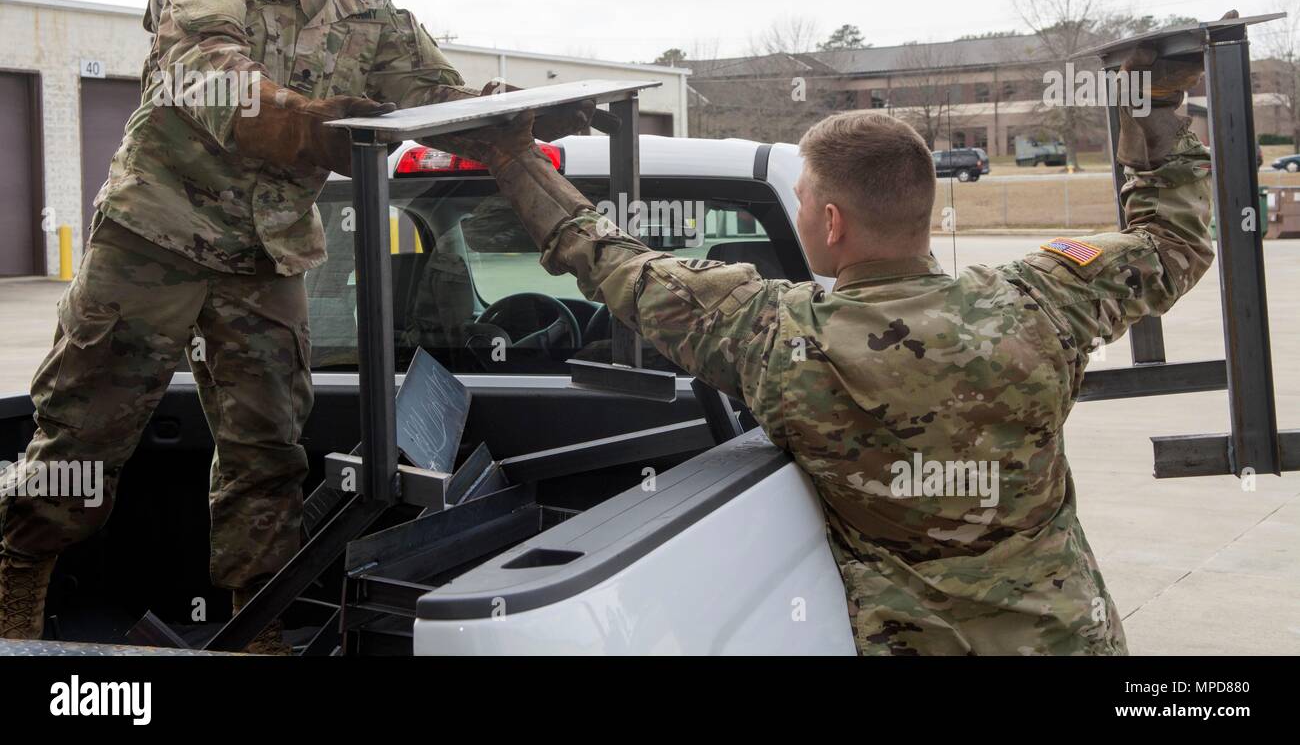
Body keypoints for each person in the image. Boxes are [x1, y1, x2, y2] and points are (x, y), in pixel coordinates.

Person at [0, 0, 583, 653]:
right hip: (154, 241)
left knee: (268, 449)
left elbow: (433, 91)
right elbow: (210, 82)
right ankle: (17, 577)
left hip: (264, 253)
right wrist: (320, 126)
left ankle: (254, 623)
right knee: (83, 436)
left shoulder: (366, 3)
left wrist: (514, 117)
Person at [421, 39, 1218, 654]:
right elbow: (1175, 239)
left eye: (804, 202)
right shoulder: (1044, 297)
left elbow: (609, 261)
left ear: (830, 224)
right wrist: (1149, 106)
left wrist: (511, 157)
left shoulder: (777, 334)